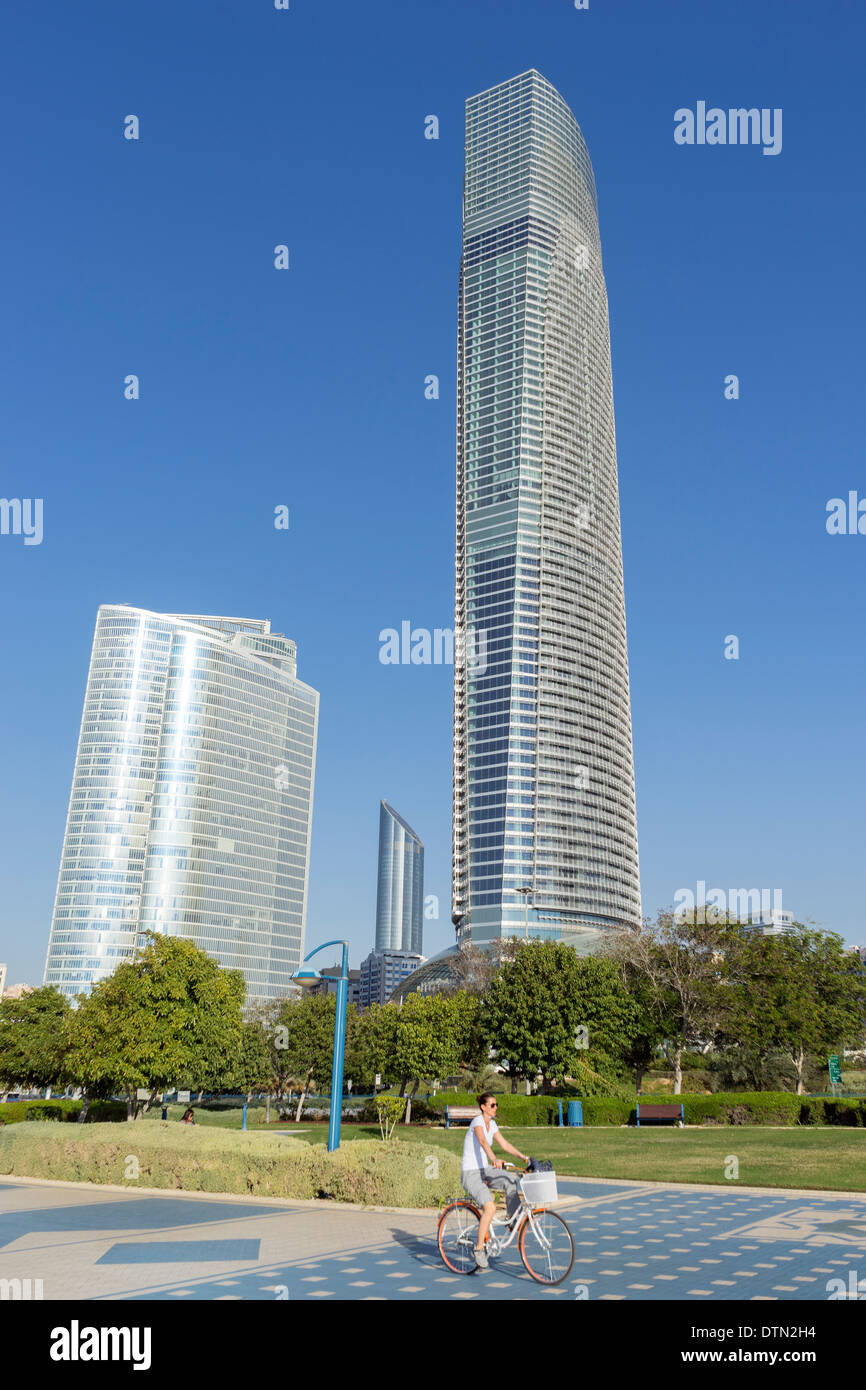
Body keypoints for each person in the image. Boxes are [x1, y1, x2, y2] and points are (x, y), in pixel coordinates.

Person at [461, 1092, 529, 1269]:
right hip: (471, 1173)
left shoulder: (493, 1124)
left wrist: (523, 1156)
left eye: (496, 1104)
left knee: (511, 1180)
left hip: (485, 1170)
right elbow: (483, 1142)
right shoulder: (477, 1122)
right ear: (483, 1107)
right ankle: (478, 1249)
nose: (495, 1107)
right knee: (490, 1207)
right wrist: (494, 1159)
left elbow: (504, 1144)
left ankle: (511, 1219)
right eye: (492, 1105)